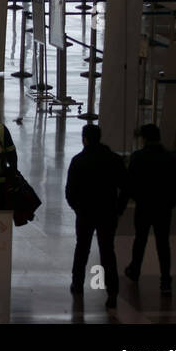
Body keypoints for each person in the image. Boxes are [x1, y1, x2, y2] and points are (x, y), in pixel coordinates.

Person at [65, 124, 126, 309]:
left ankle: (77, 284)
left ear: (84, 138)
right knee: (107, 251)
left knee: (82, 249)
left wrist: (77, 208)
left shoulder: (78, 161)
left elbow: (70, 191)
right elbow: (125, 186)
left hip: (85, 212)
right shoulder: (114, 160)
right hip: (108, 212)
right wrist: (119, 208)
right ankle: (112, 291)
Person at [119, 123, 176, 294]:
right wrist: (170, 203)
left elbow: (128, 184)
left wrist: (121, 206)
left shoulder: (138, 157)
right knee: (163, 244)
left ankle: (135, 270)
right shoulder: (171, 158)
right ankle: (165, 280)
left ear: (144, 139)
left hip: (144, 206)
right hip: (163, 208)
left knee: (140, 240)